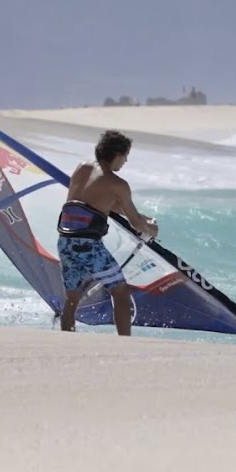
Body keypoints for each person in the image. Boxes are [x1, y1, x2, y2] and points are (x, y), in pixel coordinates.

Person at [55, 129, 158, 336]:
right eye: (126, 156)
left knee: (72, 298)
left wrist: (140, 217)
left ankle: (67, 338)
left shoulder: (82, 168)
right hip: (89, 247)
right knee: (120, 292)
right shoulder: (117, 183)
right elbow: (135, 223)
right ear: (117, 155)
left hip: (65, 242)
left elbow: (96, 201)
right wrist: (151, 227)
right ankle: (124, 342)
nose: (125, 161)